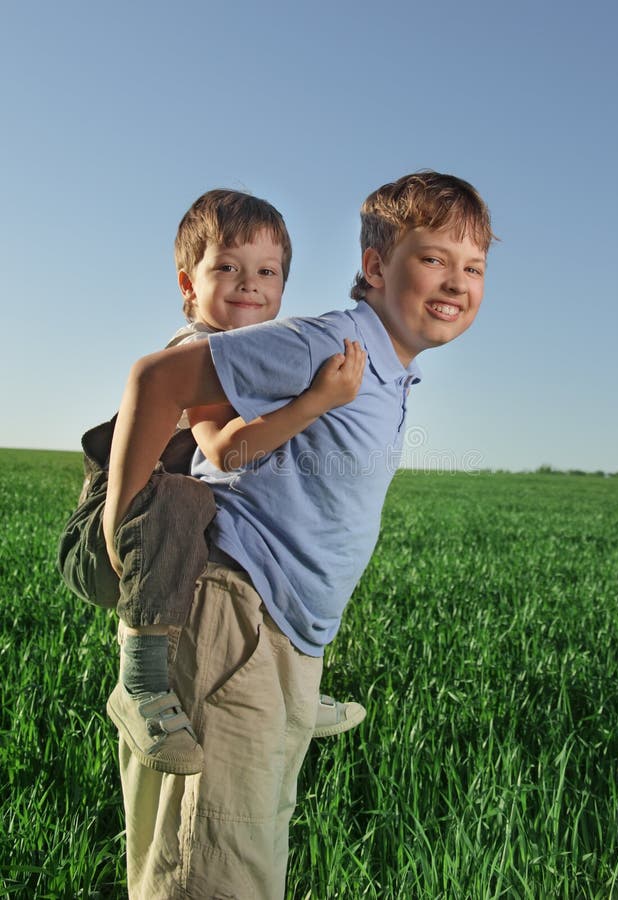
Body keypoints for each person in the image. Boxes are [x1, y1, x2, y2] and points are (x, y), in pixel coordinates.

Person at [104, 170, 495, 898]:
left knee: (246, 860)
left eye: (471, 266)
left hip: (285, 638)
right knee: (213, 870)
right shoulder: (335, 341)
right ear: (376, 266)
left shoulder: (386, 367)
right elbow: (158, 379)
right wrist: (117, 524)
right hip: (235, 621)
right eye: (433, 258)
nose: (456, 281)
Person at [57, 189, 367, 778]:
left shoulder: (243, 357)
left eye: (266, 271)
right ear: (187, 285)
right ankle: (140, 684)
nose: (249, 283)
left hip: (164, 542)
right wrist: (320, 400)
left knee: (275, 517)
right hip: (112, 539)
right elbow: (227, 451)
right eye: (227, 267)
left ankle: (291, 689)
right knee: (188, 495)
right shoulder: (199, 351)